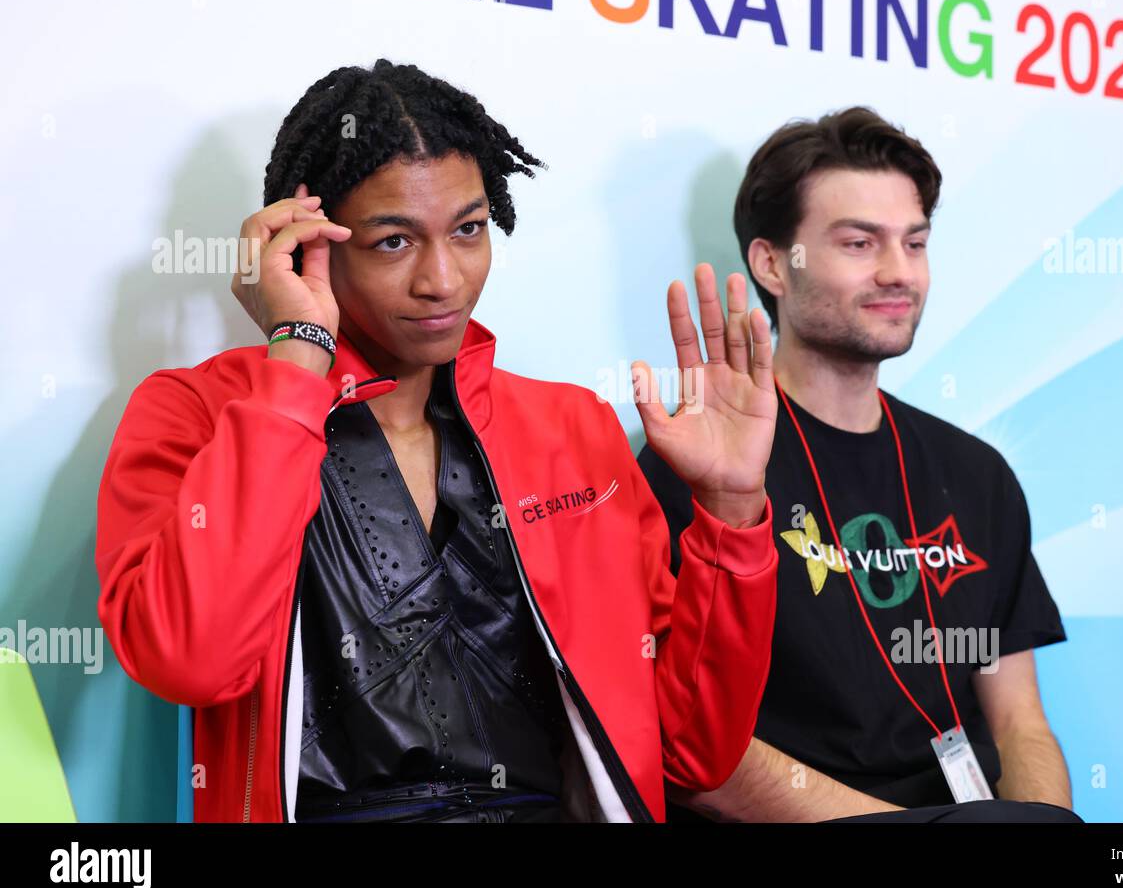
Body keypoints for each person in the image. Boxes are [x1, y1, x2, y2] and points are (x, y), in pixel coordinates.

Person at [95, 59, 779, 823]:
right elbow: (191, 660)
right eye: (394, 242)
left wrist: (731, 510)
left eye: (469, 231)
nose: (443, 280)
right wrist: (295, 355)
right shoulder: (196, 413)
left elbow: (690, 750)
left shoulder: (569, 428)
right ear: (303, 244)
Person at [638, 107, 1078, 822]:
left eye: (914, 242)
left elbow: (1020, 721)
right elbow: (695, 755)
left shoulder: (977, 474)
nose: (897, 272)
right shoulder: (694, 469)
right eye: (858, 243)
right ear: (771, 263)